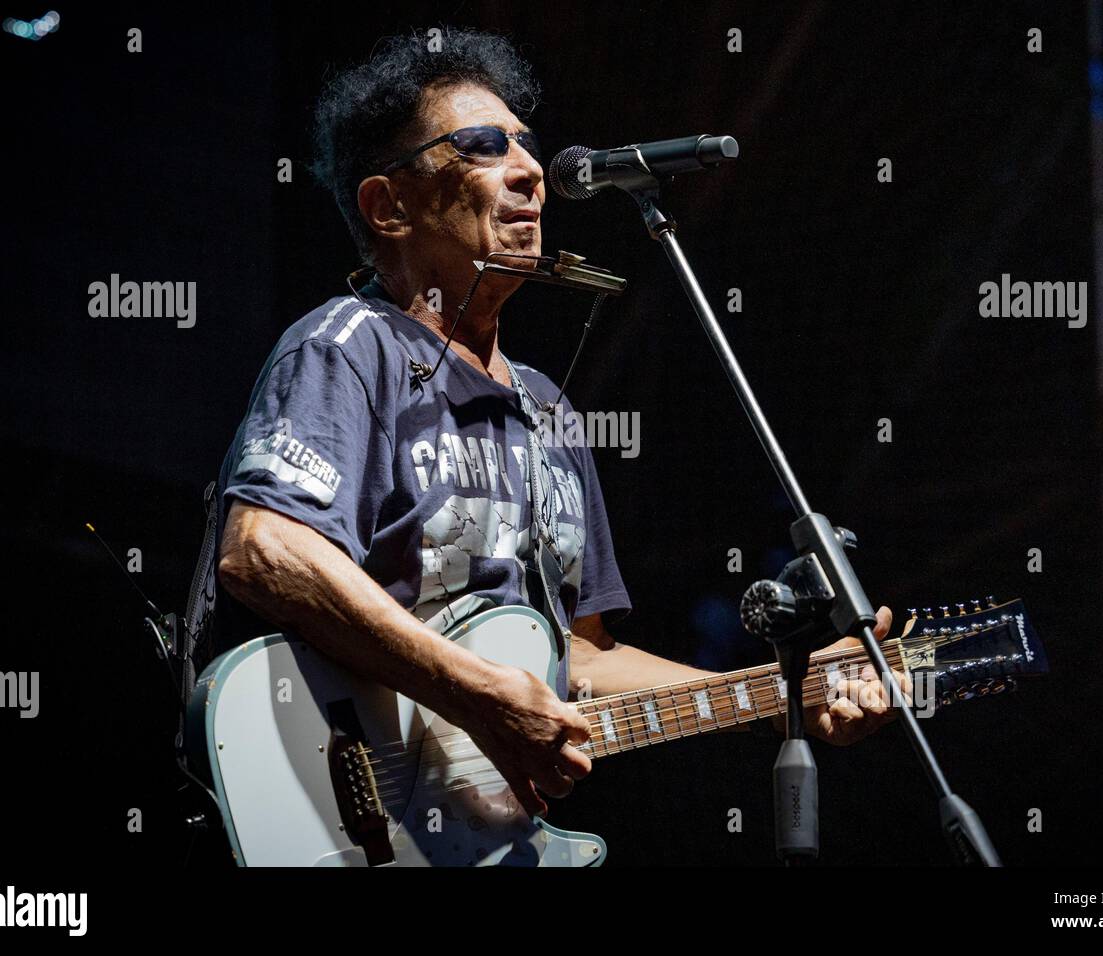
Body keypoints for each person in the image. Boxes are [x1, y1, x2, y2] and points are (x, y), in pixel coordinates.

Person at [211, 27, 907, 821]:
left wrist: (783, 695)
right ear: (389, 206)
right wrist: (475, 690)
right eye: (481, 145)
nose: (532, 170)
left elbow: (580, 654)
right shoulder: (348, 348)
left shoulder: (547, 411)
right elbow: (265, 550)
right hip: (340, 805)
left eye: (527, 144)